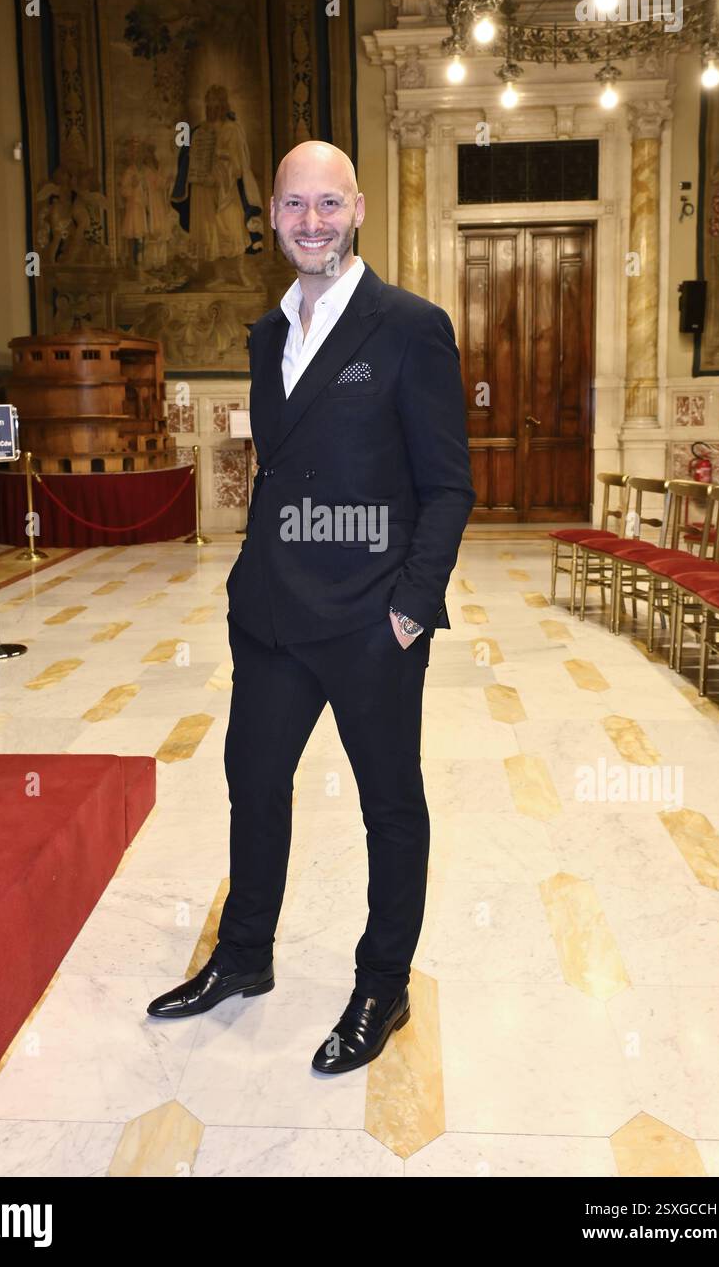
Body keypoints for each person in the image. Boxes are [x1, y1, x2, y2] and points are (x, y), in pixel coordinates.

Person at [148, 140, 476, 1073]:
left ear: (359, 209)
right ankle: (244, 957)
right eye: (294, 205)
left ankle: (385, 985)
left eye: (329, 204)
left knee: (389, 807)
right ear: (275, 216)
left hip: (373, 619)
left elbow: (448, 486)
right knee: (253, 786)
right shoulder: (265, 334)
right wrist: (250, 574)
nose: (311, 222)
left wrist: (412, 606)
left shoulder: (410, 327)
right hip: (272, 619)